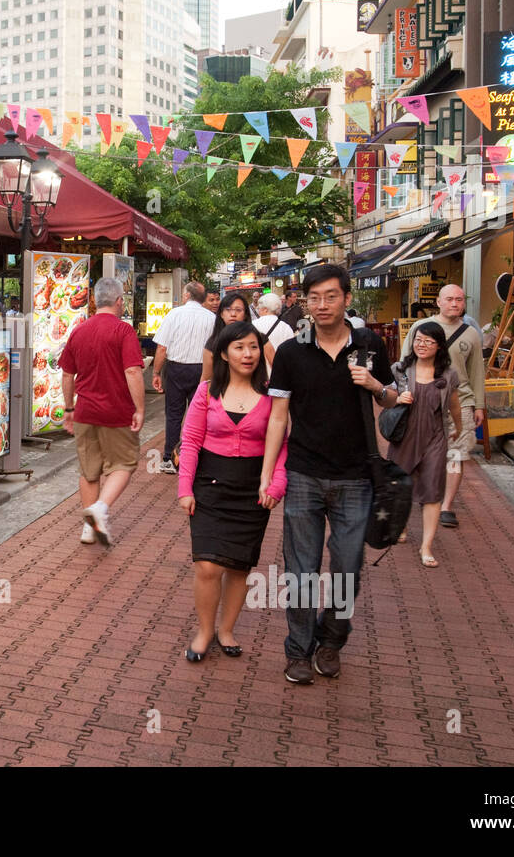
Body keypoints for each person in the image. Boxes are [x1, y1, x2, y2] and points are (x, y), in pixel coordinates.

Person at [260, 265, 397, 686]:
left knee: (347, 569)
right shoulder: (291, 353)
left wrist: (374, 385)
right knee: (300, 570)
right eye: (313, 297)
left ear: (346, 298)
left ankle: (332, 638)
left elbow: (394, 397)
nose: (321, 305)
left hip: (356, 476)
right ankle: (298, 651)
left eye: (330, 296)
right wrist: (268, 476)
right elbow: (278, 417)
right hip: (304, 473)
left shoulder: (369, 345)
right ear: (303, 302)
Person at [177, 321, 287, 661]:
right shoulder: (207, 391)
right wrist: (185, 486)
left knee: (239, 566)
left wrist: (276, 483)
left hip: (253, 488)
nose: (248, 354)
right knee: (208, 566)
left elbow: (283, 443)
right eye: (239, 347)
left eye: (253, 347)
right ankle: (205, 630)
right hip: (209, 484)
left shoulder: (273, 393)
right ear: (224, 353)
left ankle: (226, 630)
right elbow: (191, 441)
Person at [59, 277, 145, 546]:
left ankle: (88, 528)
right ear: (119, 301)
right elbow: (132, 371)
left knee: (89, 470)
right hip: (116, 411)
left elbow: (67, 374)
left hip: (84, 410)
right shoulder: (123, 331)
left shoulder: (79, 331)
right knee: (124, 464)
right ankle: (100, 509)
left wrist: (69, 408)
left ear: (96, 300)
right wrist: (140, 408)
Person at [400, 283, 486, 529]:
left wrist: (479, 405)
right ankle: (425, 493)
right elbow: (405, 362)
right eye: (449, 299)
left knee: (455, 455)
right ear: (438, 302)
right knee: (420, 452)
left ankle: (446, 506)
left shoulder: (470, 334)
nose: (454, 304)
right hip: (422, 401)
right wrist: (403, 394)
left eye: (459, 299)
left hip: (462, 401)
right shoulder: (421, 328)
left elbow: (477, 371)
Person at [388, 321, 462, 568]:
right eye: (418, 340)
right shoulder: (400, 369)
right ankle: (401, 526)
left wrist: (458, 428)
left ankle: (426, 546)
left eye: (428, 342)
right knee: (400, 485)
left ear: (439, 346)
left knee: (432, 491)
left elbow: (454, 405)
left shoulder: (449, 375)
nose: (422, 345)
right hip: (404, 436)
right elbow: (385, 399)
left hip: (435, 437)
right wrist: (397, 398)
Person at [150, 281, 216, 474]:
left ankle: (169, 459)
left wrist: (156, 372)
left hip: (176, 369)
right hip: (203, 370)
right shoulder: (211, 318)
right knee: (200, 414)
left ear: (187, 295)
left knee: (173, 415)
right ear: (202, 298)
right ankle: (196, 457)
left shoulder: (174, 314)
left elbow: (162, 348)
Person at [199, 291, 252, 383]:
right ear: (221, 314)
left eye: (238, 310)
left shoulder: (256, 339)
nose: (233, 314)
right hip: (221, 393)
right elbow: (206, 380)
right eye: (228, 309)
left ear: (246, 314)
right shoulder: (212, 343)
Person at [251, 292, 296, 367]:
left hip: (258, 373)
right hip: (278, 374)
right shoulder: (286, 328)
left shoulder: (252, 325)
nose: (258, 310)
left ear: (265, 309)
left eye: (259, 308)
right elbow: (291, 355)